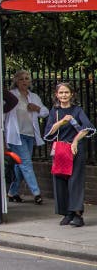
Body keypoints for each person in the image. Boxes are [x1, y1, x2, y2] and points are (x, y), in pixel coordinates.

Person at [43, 82, 95, 227]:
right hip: (60, 150)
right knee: (60, 182)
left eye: (66, 92)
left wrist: (75, 141)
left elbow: (88, 127)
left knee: (75, 182)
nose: (64, 95)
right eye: (61, 93)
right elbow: (48, 133)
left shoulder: (77, 110)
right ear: (56, 95)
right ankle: (68, 213)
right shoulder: (54, 111)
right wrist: (61, 122)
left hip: (75, 150)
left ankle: (78, 215)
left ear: (71, 94)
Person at [4, 70, 49, 204]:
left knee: (20, 165)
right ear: (16, 81)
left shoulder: (34, 96)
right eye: (21, 79)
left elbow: (45, 112)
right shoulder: (12, 95)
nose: (24, 81)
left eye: (27, 79)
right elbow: (3, 115)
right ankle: (37, 193)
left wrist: (37, 109)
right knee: (26, 163)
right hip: (15, 136)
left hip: (30, 135)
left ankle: (12, 192)